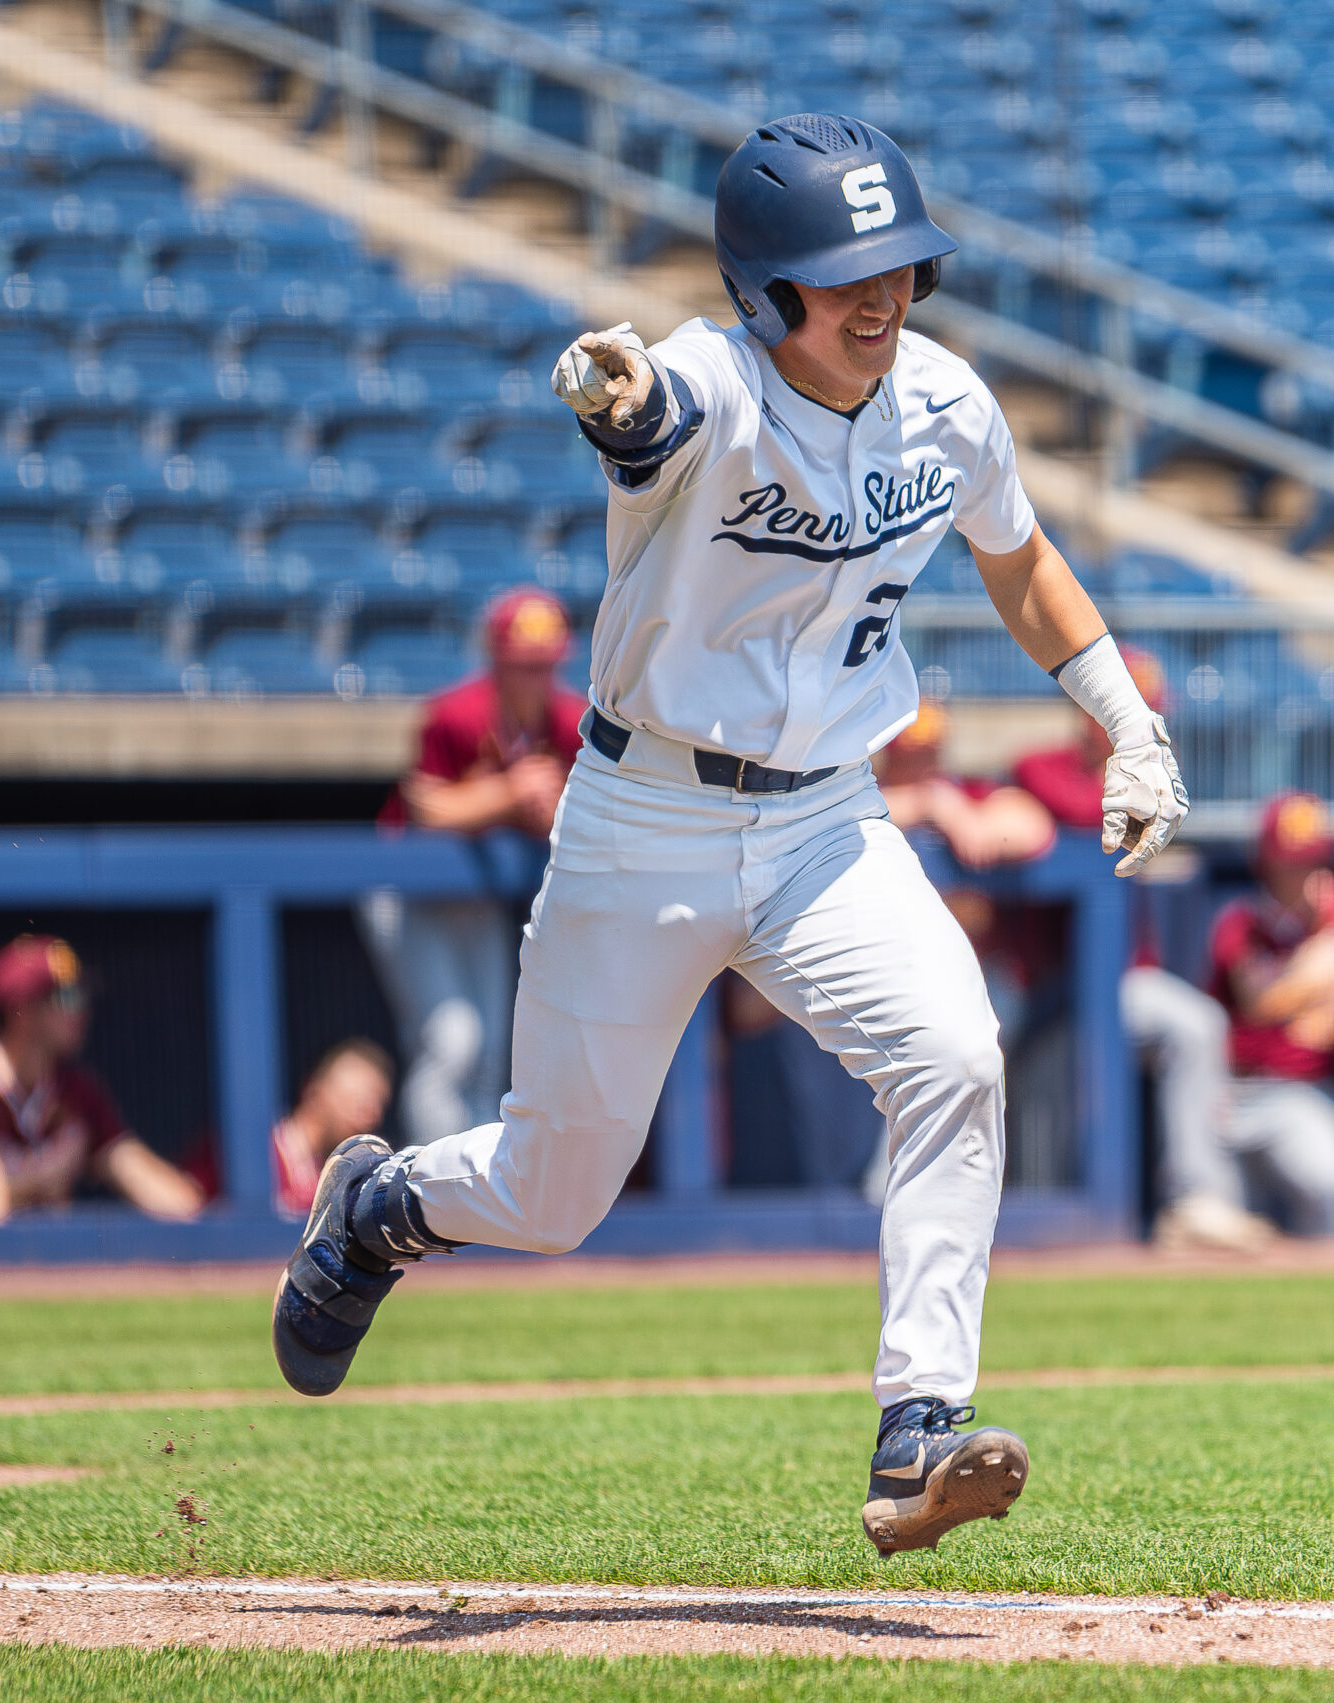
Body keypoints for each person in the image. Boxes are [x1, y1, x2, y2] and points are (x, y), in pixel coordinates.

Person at [270, 114, 1187, 1562]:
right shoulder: (716, 373)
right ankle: (383, 1202)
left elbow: (1021, 564)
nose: (882, 297)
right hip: (646, 819)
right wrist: (618, 400)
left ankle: (917, 1428)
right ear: (768, 295)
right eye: (846, 276)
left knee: (955, 1057)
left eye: (899, 266)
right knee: (554, 1191)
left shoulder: (946, 403)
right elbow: (649, 407)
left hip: (829, 815)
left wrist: (1126, 720)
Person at [1010, 650, 1260, 1251]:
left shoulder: (1143, 776)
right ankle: (884, 1205)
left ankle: (1199, 1201)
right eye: (1133, 712)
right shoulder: (1039, 769)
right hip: (1042, 982)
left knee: (1195, 1025)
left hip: (1115, 985)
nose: (1147, 728)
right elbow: (1089, 809)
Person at [358, 587, 585, 1143]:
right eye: (523, 665)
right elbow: (427, 809)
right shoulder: (457, 714)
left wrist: (533, 807)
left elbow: (580, 819)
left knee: (491, 1054)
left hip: (476, 891)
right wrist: (510, 793)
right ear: (497, 659)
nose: (535, 678)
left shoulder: (569, 721)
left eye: (545, 665)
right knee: (452, 1041)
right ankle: (424, 1195)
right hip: (407, 890)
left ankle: (476, 1195)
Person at [1201, 792, 1334, 1237]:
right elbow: (1259, 1002)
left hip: (1310, 1094)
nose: (1307, 874)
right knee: (1224, 1226)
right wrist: (1315, 975)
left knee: (1333, 1185)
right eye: (1293, 862)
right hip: (1235, 1095)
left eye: (1315, 860)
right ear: (1267, 865)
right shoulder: (1242, 921)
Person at [0, 936, 203, 1227]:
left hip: (40, 1265)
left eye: (81, 994)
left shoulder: (76, 1089)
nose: (81, 1010)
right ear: (23, 1010)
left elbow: (158, 1189)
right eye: (66, 997)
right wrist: (50, 1173)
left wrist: (198, 1220)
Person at [878, 698, 1057, 870]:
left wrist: (969, 822)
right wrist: (927, 803)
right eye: (911, 756)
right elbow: (859, 815)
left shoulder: (958, 790)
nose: (923, 764)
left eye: (930, 753)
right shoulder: (866, 791)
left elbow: (1035, 831)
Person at [271, 1040, 396, 1217]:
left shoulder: (332, 1178)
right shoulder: (256, 1157)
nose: (372, 1117)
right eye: (361, 1102)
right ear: (314, 1091)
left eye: (380, 1106)